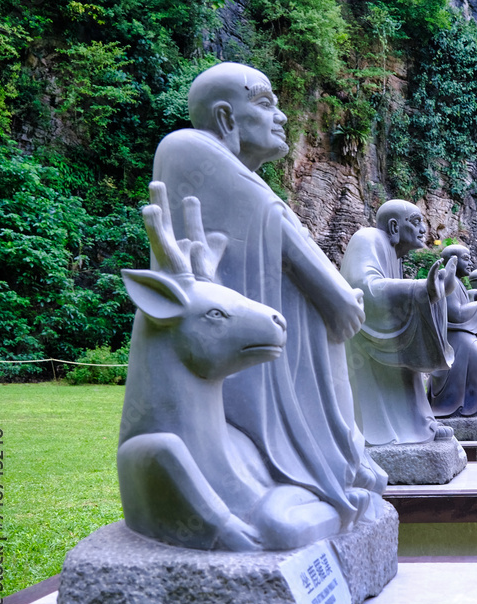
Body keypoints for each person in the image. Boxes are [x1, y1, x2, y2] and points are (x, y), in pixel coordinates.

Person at [151, 62, 385, 530]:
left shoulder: (245, 177)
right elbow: (270, 219)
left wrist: (332, 295)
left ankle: (333, 458)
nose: (281, 116)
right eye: (264, 104)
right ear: (224, 118)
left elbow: (269, 216)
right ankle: (307, 468)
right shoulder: (185, 149)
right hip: (230, 353)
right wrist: (335, 292)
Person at [340, 199, 459, 446]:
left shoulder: (395, 255)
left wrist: (432, 293)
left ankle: (417, 424)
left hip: (380, 333)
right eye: (415, 222)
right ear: (394, 227)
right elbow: (363, 286)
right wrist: (421, 290)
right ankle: (391, 433)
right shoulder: (368, 238)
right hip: (362, 337)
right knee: (398, 362)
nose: (423, 230)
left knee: (408, 360)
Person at [427, 244, 477, 418]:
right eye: (466, 258)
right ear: (453, 261)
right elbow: (455, 314)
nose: (471, 262)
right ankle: (463, 402)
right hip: (452, 335)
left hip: (462, 333)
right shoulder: (446, 279)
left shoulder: (458, 283)